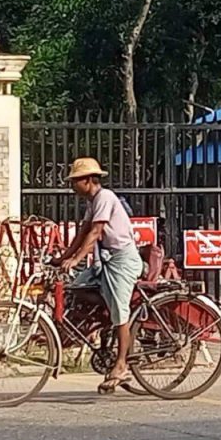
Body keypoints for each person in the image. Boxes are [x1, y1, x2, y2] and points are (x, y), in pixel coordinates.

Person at [54, 157, 143, 395]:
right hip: (107, 261)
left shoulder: (104, 197)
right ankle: (107, 341)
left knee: (119, 310)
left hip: (122, 260)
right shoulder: (92, 202)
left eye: (75, 181)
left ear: (88, 180)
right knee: (80, 289)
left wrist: (75, 259)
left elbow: (95, 232)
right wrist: (63, 257)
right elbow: (82, 233)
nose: (73, 186)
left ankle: (122, 364)